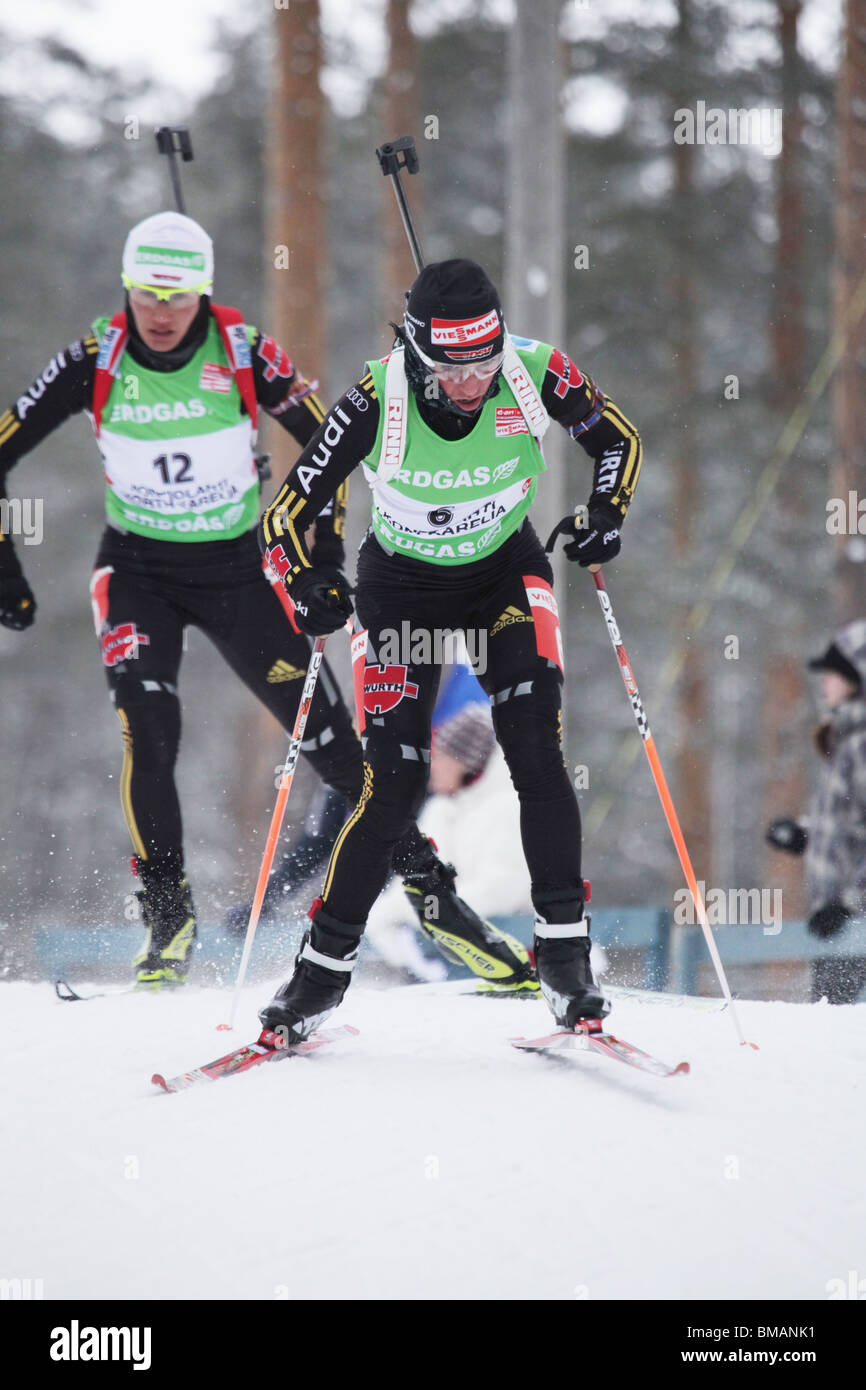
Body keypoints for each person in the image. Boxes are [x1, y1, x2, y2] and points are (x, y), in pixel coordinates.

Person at [0, 219, 529, 993]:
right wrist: (8, 565)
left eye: (178, 295)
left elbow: (327, 443)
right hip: (138, 572)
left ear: (202, 293)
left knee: (339, 750)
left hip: (240, 572)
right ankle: (167, 914)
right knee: (148, 730)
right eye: (146, 292)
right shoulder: (95, 357)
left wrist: (318, 560)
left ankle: (436, 898)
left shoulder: (244, 350)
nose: (160, 310)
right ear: (127, 288)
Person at [256, 257, 642, 1042]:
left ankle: (566, 960)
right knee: (390, 782)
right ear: (418, 355)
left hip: (505, 572)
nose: (472, 383)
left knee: (535, 747)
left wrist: (607, 512)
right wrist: (307, 583)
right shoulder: (376, 398)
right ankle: (321, 975)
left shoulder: (536, 371)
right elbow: (282, 520)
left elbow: (619, 440)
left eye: (484, 363)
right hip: (403, 589)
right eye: (451, 367)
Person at [766, 619, 866, 1003]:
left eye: (834, 672)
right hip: (840, 929)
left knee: (844, 1044)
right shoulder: (847, 736)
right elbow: (851, 824)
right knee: (830, 1036)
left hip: (854, 925)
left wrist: (848, 903)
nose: (824, 681)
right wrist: (806, 835)